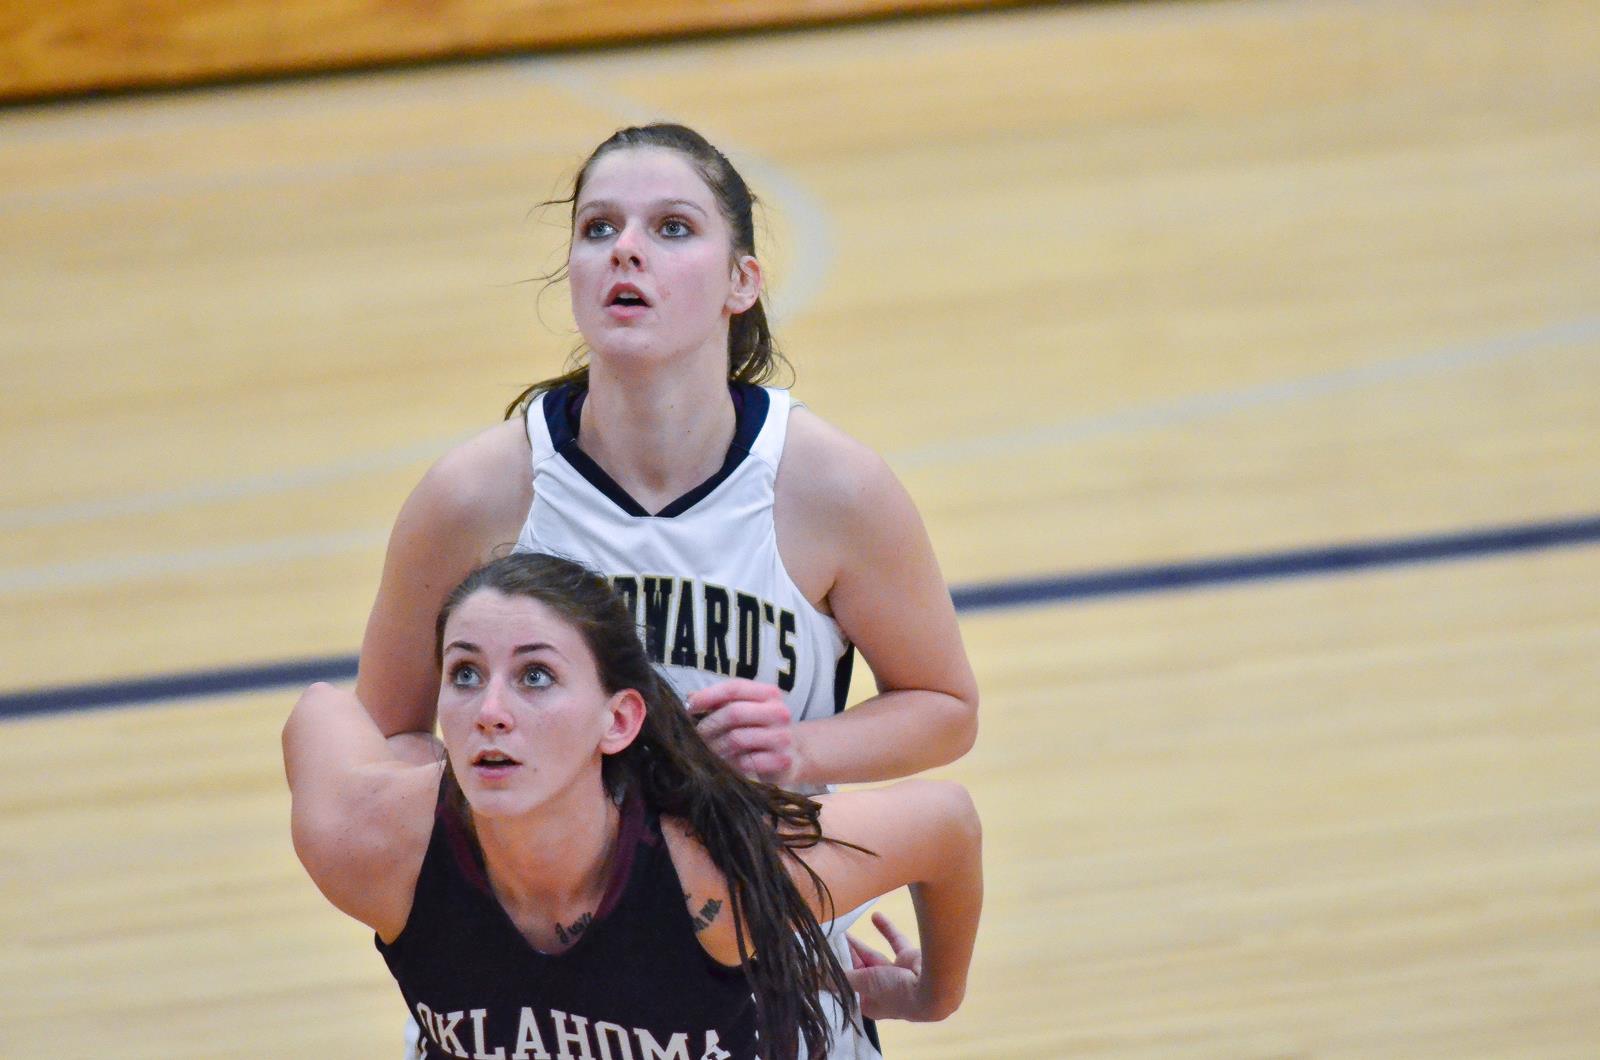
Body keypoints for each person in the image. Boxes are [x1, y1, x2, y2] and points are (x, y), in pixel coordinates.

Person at [356, 122, 980, 1056]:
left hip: (754, 954)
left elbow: (946, 707)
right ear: (572, 272)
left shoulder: (832, 489)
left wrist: (801, 745)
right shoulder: (476, 496)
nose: (628, 249)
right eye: (599, 227)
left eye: (673, 227)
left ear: (743, 282)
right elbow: (386, 738)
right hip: (531, 984)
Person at [286, 553, 982, 1060]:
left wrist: (933, 994)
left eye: (535, 676)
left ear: (618, 721)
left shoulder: (715, 876)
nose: (490, 711)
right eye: (465, 673)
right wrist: (416, 764)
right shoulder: (374, 843)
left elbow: (946, 823)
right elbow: (317, 713)